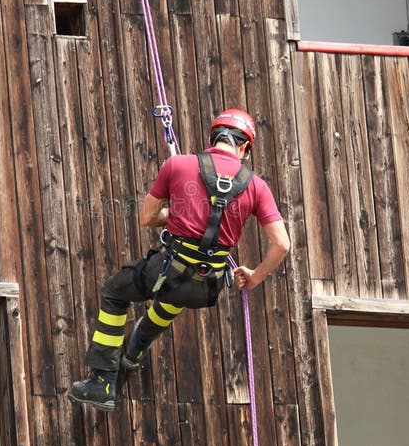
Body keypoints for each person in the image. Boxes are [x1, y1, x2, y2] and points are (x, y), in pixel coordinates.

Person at [69, 109, 290, 412]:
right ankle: (135, 351)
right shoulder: (256, 186)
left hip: (168, 270)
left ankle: (104, 381)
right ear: (245, 147)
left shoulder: (179, 165)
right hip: (206, 287)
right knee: (177, 292)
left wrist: (172, 215)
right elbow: (282, 244)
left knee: (115, 292)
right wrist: (255, 275)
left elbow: (146, 217)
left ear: (213, 137)